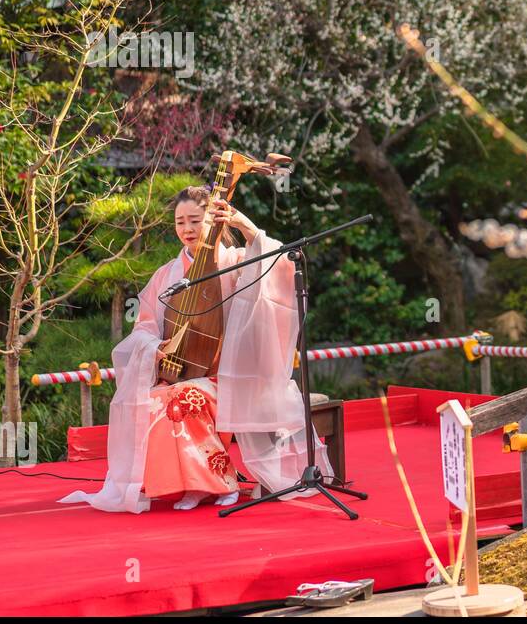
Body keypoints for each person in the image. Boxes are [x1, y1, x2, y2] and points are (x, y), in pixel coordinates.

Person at [60, 186, 332, 513]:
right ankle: (189, 485)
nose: (187, 229)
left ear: (213, 221)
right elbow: (144, 325)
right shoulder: (166, 275)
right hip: (184, 371)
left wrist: (245, 227)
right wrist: (154, 348)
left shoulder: (236, 263)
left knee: (181, 399)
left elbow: (281, 268)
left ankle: (220, 482)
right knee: (152, 400)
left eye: (194, 220)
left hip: (230, 376)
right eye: (180, 222)